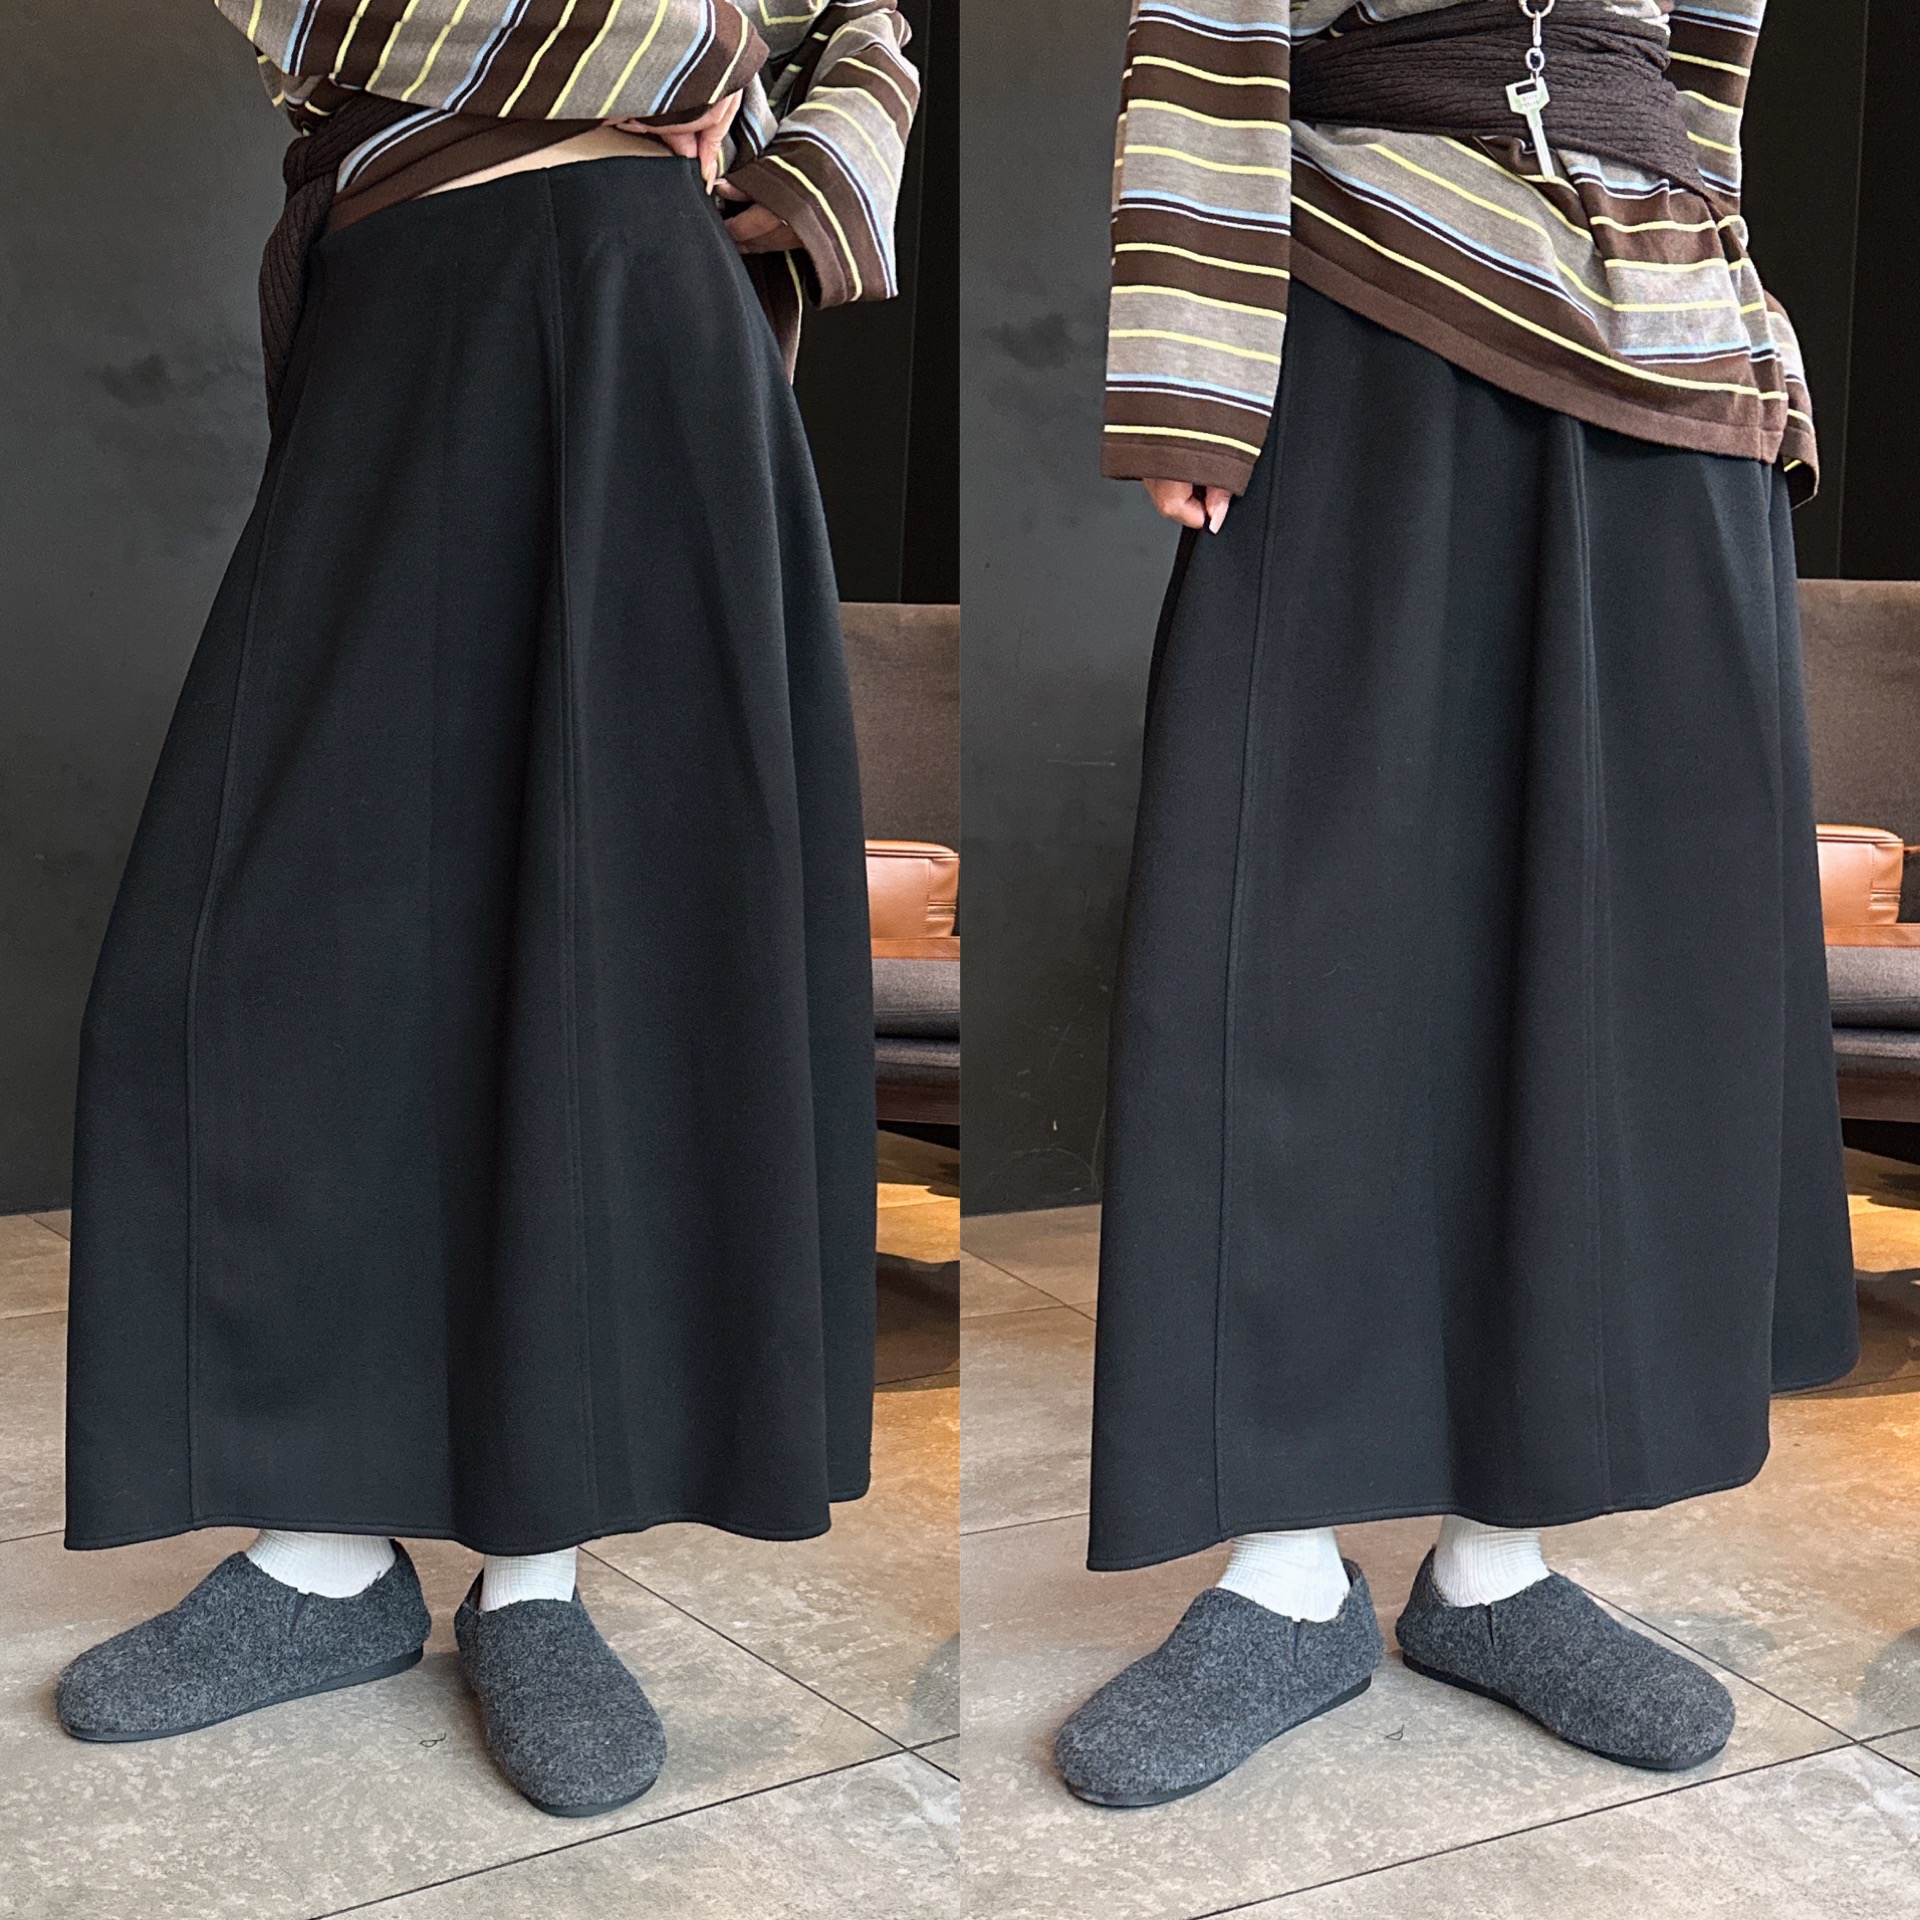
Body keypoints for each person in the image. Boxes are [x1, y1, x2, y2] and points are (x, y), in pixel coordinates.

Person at [55, 0, 916, 1821]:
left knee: (604, 933)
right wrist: (685, 45)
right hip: (389, 283)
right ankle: (324, 1551)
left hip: (632, 299)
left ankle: (537, 1567)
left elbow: (872, 18)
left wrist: (804, 163)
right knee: (303, 939)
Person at [1055, 0, 1857, 1807]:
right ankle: (1282, 1574)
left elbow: (1700, 74)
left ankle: (1501, 1562)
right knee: (1305, 948)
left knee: (1616, 965)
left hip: (1672, 346)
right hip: (1376, 293)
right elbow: (1205, 29)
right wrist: (1194, 364)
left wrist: (1740, 332)